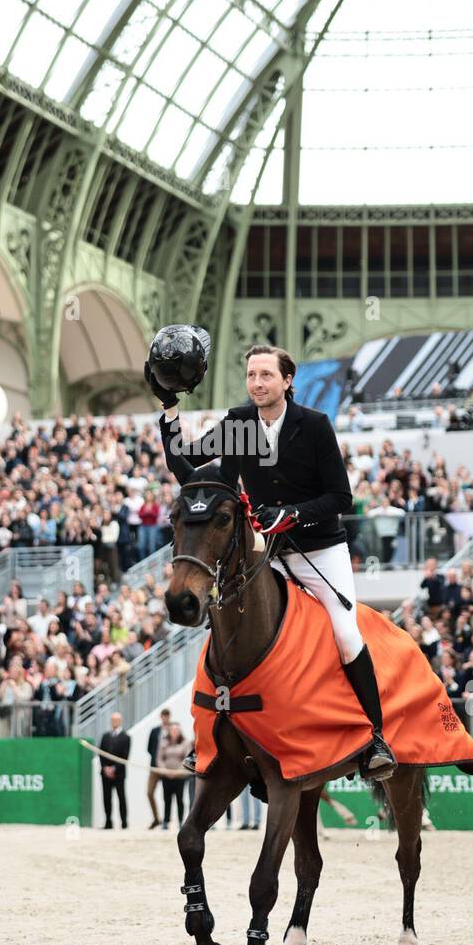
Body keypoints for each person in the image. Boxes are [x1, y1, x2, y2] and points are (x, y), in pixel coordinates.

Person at [150, 338, 396, 781]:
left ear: (287, 381)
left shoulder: (315, 425)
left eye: (266, 375)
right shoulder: (240, 422)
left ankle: (375, 738)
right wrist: (169, 411)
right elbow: (185, 465)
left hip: (321, 549)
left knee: (344, 632)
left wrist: (293, 514)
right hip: (269, 552)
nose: (257, 383)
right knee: (225, 625)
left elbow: (342, 496)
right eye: (250, 375)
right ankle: (209, 738)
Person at [156, 720, 192, 830]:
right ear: (169, 731)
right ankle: (166, 822)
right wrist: (165, 771)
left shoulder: (186, 743)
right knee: (167, 799)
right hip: (166, 776)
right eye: (172, 729)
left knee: (180, 799)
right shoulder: (163, 742)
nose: (174, 731)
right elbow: (159, 758)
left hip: (180, 776)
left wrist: (176, 772)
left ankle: (181, 821)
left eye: (176, 729)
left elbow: (187, 758)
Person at [99, 711, 130, 829]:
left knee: (121, 797)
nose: (114, 722)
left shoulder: (126, 737)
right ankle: (108, 821)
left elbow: (125, 756)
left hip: (119, 773)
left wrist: (114, 768)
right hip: (105, 773)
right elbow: (101, 754)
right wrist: (105, 768)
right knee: (107, 798)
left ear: (120, 721)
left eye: (116, 720)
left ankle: (124, 821)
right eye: (112, 720)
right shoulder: (105, 736)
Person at [146, 706, 170, 829]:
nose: (165, 718)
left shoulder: (174, 729)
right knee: (149, 793)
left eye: (167, 715)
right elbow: (149, 748)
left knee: (167, 795)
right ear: (161, 717)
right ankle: (156, 818)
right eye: (163, 715)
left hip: (168, 768)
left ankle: (166, 821)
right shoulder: (154, 731)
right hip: (154, 768)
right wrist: (157, 761)